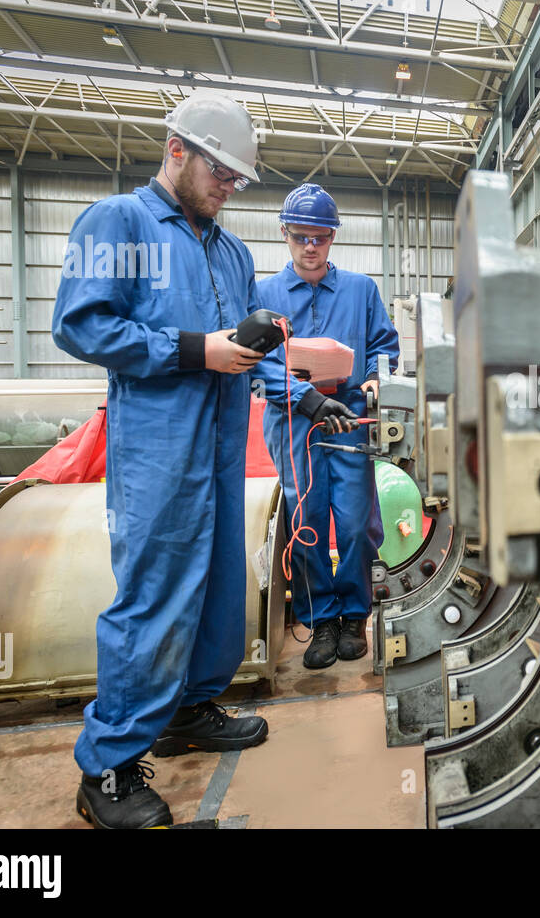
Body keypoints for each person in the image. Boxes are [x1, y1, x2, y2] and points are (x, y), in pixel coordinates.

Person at [52, 93, 356, 829]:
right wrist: (196, 349)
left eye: (238, 180)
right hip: (159, 448)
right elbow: (79, 323)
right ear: (178, 149)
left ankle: (189, 707)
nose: (228, 187)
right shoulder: (118, 223)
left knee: (223, 585)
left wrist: (305, 397)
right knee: (154, 596)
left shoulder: (230, 249)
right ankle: (111, 767)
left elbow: (243, 355)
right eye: (221, 172)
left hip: (222, 451)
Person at [258, 183, 400, 669]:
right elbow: (258, 365)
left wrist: (379, 375)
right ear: (285, 234)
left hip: (348, 417)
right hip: (294, 421)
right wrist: (304, 397)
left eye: (320, 237)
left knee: (357, 521)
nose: (311, 246)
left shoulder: (362, 291)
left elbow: (384, 344)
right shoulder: (264, 295)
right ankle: (320, 619)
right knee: (307, 521)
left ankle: (355, 613)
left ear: (334, 237)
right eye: (301, 237)